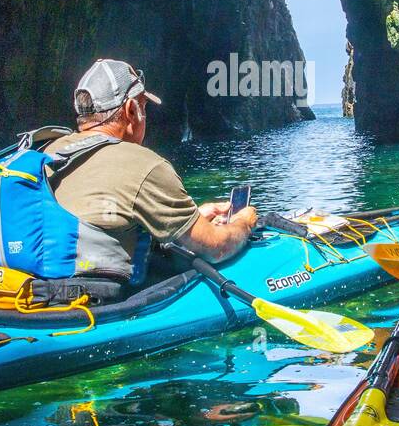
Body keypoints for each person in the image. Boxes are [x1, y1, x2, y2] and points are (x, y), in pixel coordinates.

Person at [40, 59, 257, 287]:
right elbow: (217, 248)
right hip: (95, 299)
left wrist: (191, 219)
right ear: (131, 110)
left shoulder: (45, 152)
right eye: (143, 107)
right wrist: (243, 222)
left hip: (31, 292)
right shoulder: (143, 164)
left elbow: (94, 219)